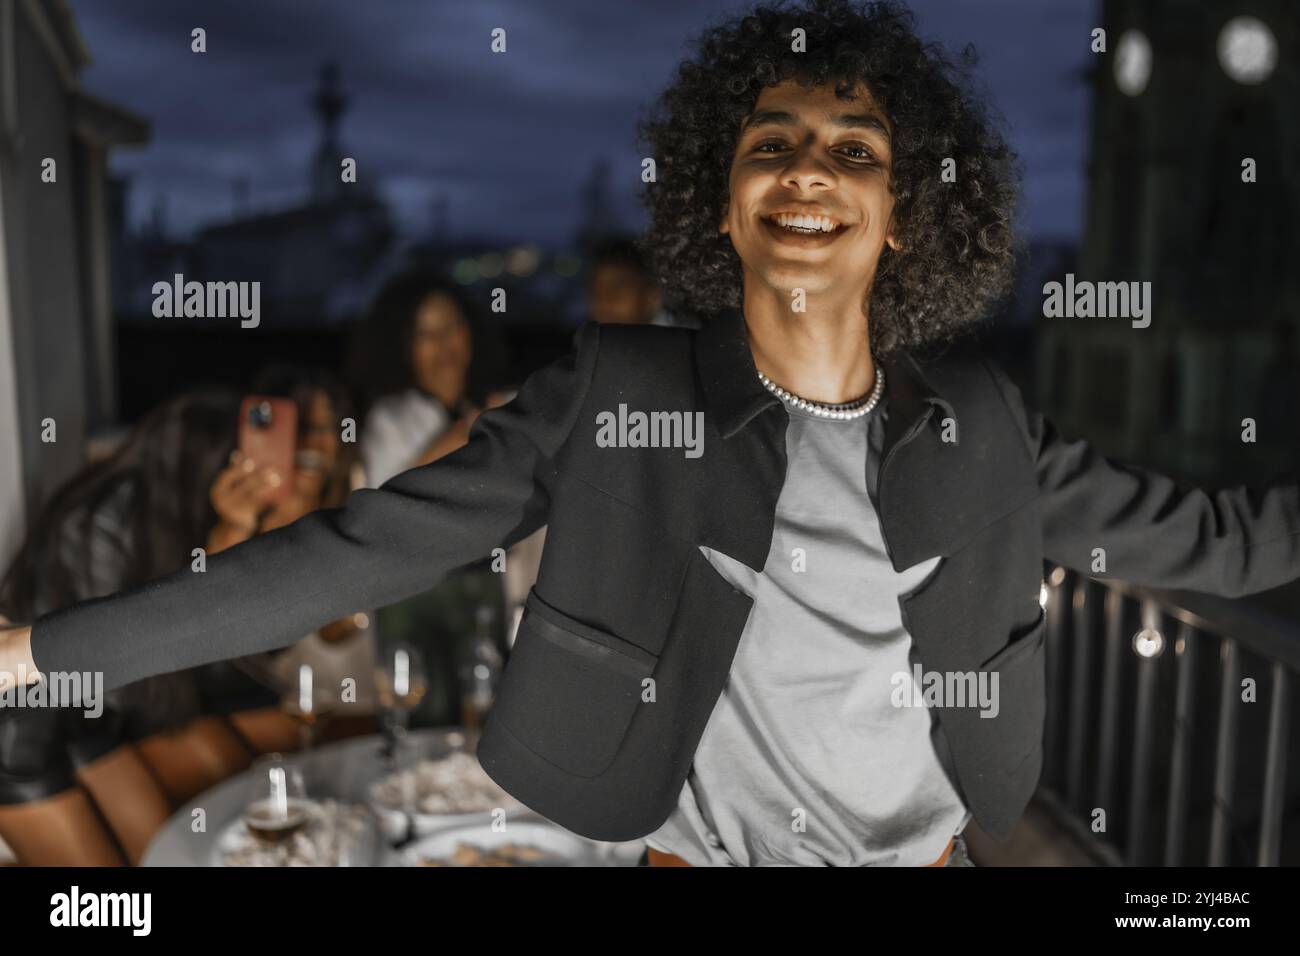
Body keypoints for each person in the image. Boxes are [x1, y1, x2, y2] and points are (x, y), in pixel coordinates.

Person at [6, 0, 1300, 868]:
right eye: (772, 143)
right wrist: (38, 653)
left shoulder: (988, 426)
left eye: (855, 148)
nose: (808, 168)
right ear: (720, 205)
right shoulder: (617, 391)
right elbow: (350, 552)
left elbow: (1229, 544)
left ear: (904, 217)